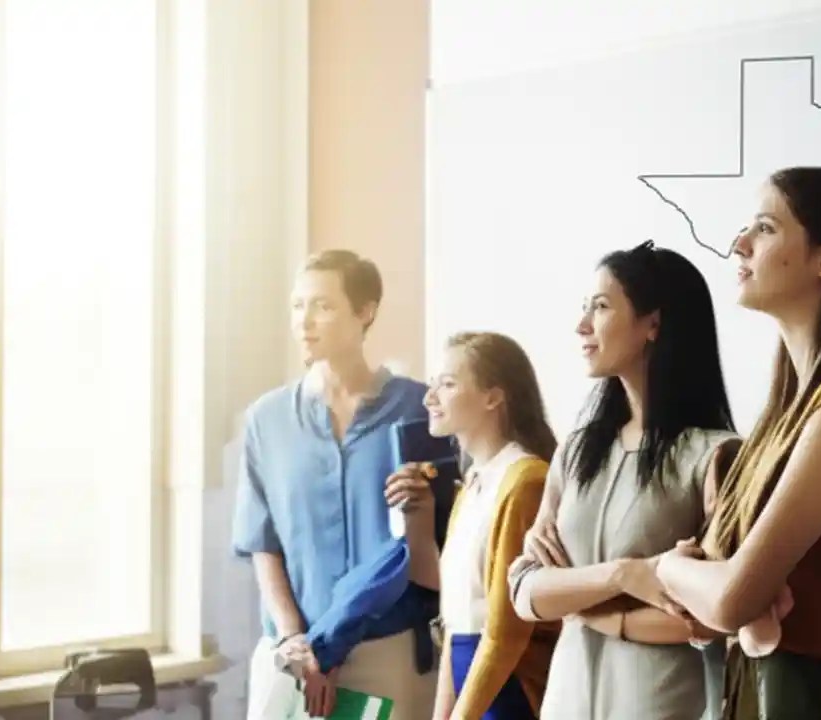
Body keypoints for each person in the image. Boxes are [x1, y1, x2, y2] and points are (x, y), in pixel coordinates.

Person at [653, 167, 821, 719]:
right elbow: (722, 606)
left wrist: (664, 569)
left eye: (765, 227)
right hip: (776, 688)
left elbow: (729, 599)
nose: (739, 243)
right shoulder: (789, 403)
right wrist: (723, 591)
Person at [506, 240, 739, 720]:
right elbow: (525, 593)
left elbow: (710, 617)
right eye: (584, 308)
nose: (582, 325)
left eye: (601, 306)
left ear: (653, 323)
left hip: (667, 704)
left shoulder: (716, 454)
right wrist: (628, 575)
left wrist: (579, 603)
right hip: (567, 703)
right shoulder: (576, 451)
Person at [231, 250, 441, 720]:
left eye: (322, 306)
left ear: (365, 311)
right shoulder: (267, 420)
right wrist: (295, 640)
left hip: (386, 654)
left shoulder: (419, 412)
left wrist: (332, 643)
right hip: (293, 659)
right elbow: (263, 544)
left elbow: (426, 548)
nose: (304, 321)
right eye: (296, 306)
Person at [418, 332, 560, 720]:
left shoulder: (524, 481)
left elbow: (505, 633)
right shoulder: (473, 485)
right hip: (469, 671)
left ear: (493, 397)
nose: (430, 397)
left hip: (509, 684)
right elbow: (454, 619)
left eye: (447, 384)